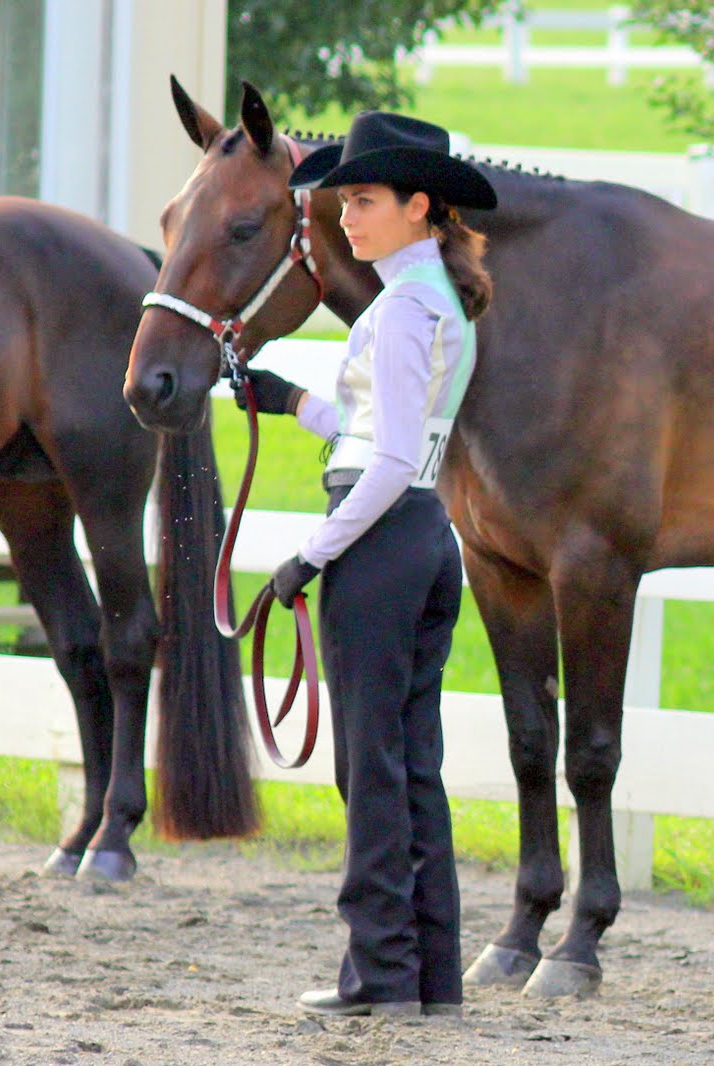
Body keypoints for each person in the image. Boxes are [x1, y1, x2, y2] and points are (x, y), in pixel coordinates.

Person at [240, 111, 497, 1018]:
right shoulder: (433, 300)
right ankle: (429, 977)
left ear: (419, 205)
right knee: (410, 762)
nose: (346, 218)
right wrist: (288, 400)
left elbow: (383, 462)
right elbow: (384, 433)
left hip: (380, 541)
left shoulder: (399, 311)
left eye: (365, 200)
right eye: (344, 201)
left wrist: (307, 558)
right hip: (422, 534)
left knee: (370, 767)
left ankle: (380, 975)